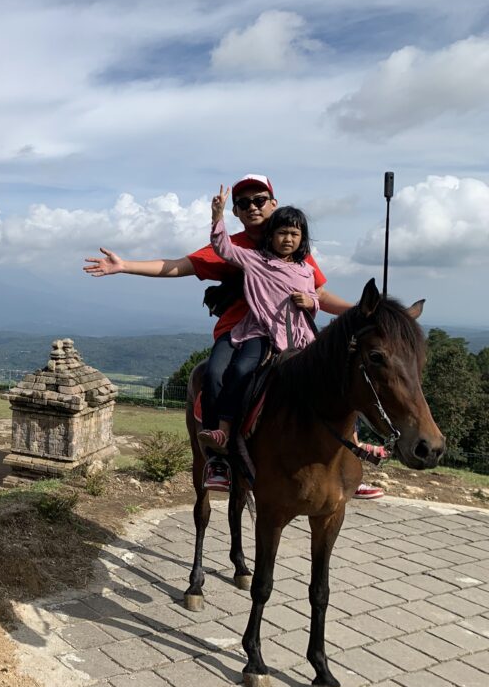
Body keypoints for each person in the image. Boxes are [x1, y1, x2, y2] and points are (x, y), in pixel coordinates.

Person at [84, 174, 353, 492]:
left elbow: (318, 293)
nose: (252, 207)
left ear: (273, 204)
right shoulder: (239, 248)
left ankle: (347, 460)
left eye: (259, 200)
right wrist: (125, 265)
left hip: (290, 333)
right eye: (244, 203)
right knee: (216, 374)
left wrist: (362, 312)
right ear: (236, 211)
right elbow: (181, 265)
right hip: (242, 331)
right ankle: (218, 457)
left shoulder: (290, 240)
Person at [197, 188, 319, 454]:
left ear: (302, 239)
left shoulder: (307, 271)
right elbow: (223, 248)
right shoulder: (255, 261)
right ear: (271, 236)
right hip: (262, 333)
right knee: (240, 370)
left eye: (294, 234)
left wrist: (311, 303)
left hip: (299, 337)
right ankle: (224, 431)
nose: (288, 239)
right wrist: (217, 217)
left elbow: (314, 297)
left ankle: (352, 444)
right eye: (282, 233)